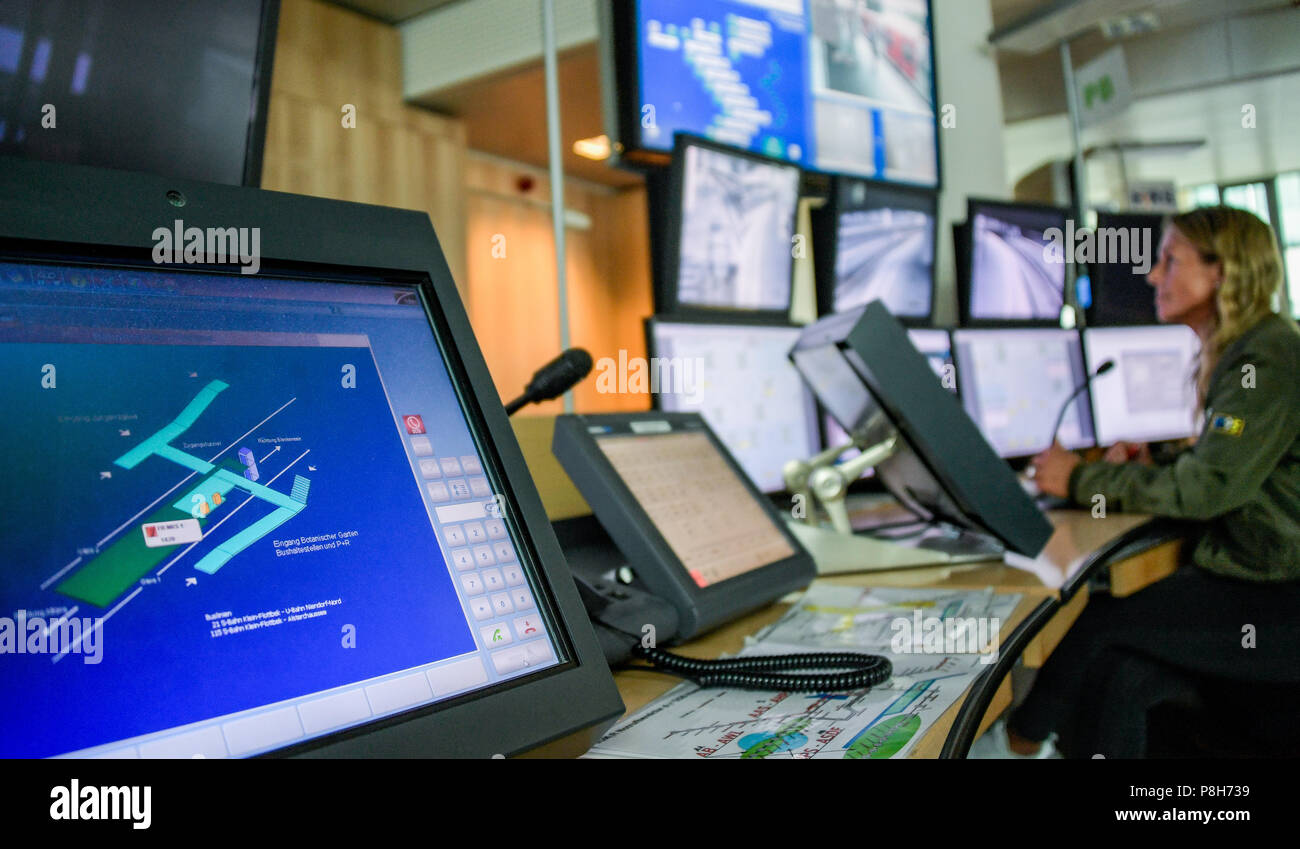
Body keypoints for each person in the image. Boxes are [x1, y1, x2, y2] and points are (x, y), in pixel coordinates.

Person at [975, 205, 1300, 758]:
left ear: (1220, 272)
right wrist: (1160, 457)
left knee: (1099, 623)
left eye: (1169, 261)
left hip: (1276, 590)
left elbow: (1207, 489)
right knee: (1121, 672)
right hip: (1270, 575)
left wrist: (1079, 479)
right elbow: (1240, 455)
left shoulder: (1264, 356)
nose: (1152, 275)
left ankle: (1015, 744)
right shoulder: (1256, 345)